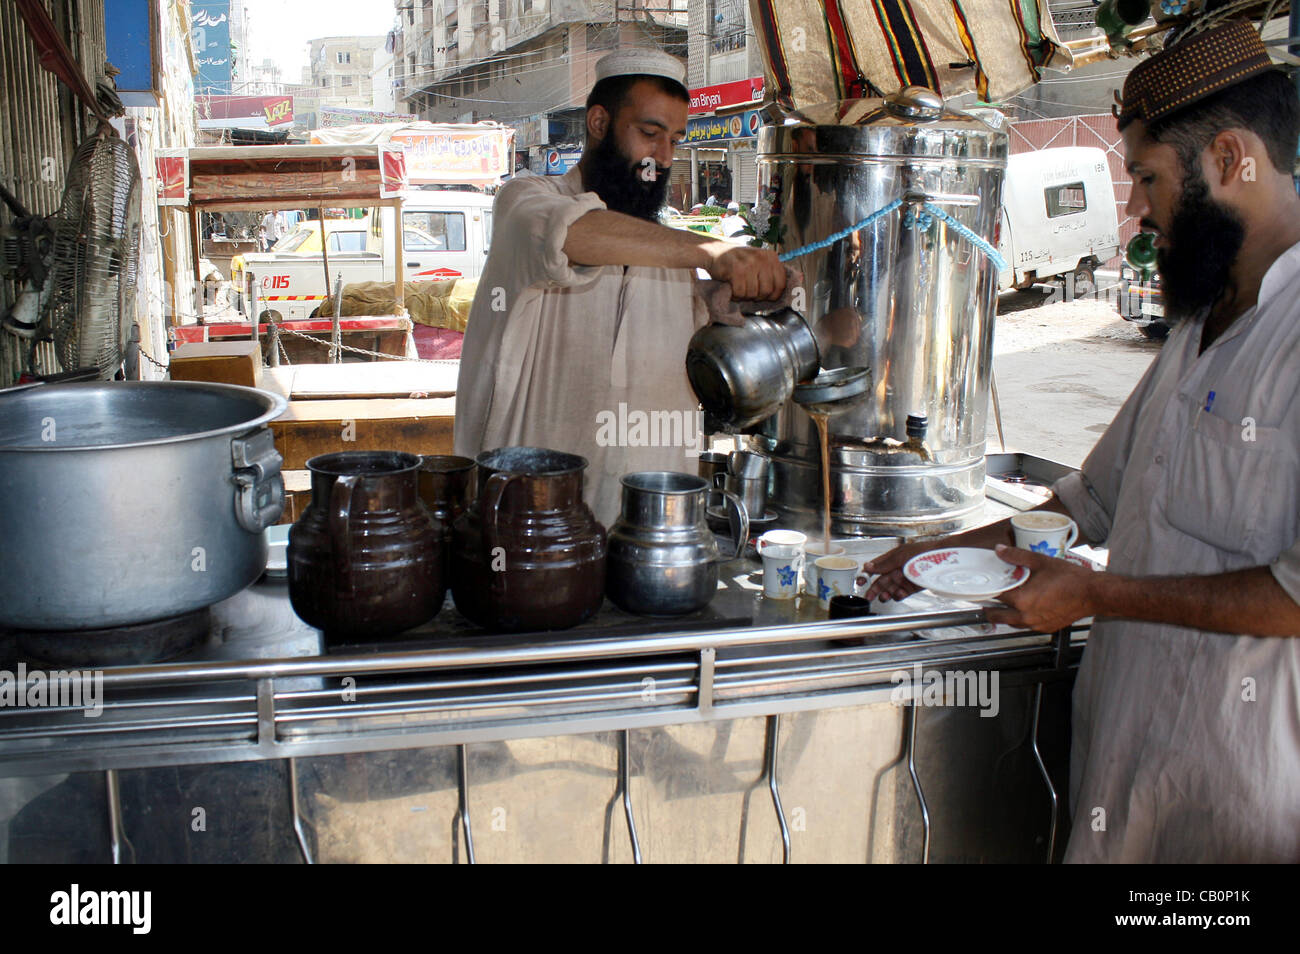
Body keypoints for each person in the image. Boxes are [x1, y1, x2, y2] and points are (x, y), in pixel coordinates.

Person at [866, 20, 1300, 863]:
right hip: (1129, 763)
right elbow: (1089, 501)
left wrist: (1098, 596)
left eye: (1146, 177)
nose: (1136, 208)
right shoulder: (1201, 323)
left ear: (1229, 159)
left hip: (1244, 797)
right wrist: (934, 552)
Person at [454, 48, 787, 525]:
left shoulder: (666, 251)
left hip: (649, 537)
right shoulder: (526, 201)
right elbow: (573, 234)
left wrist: (733, 296)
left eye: (675, 139)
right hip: (533, 531)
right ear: (598, 122)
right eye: (649, 134)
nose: (665, 157)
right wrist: (714, 251)